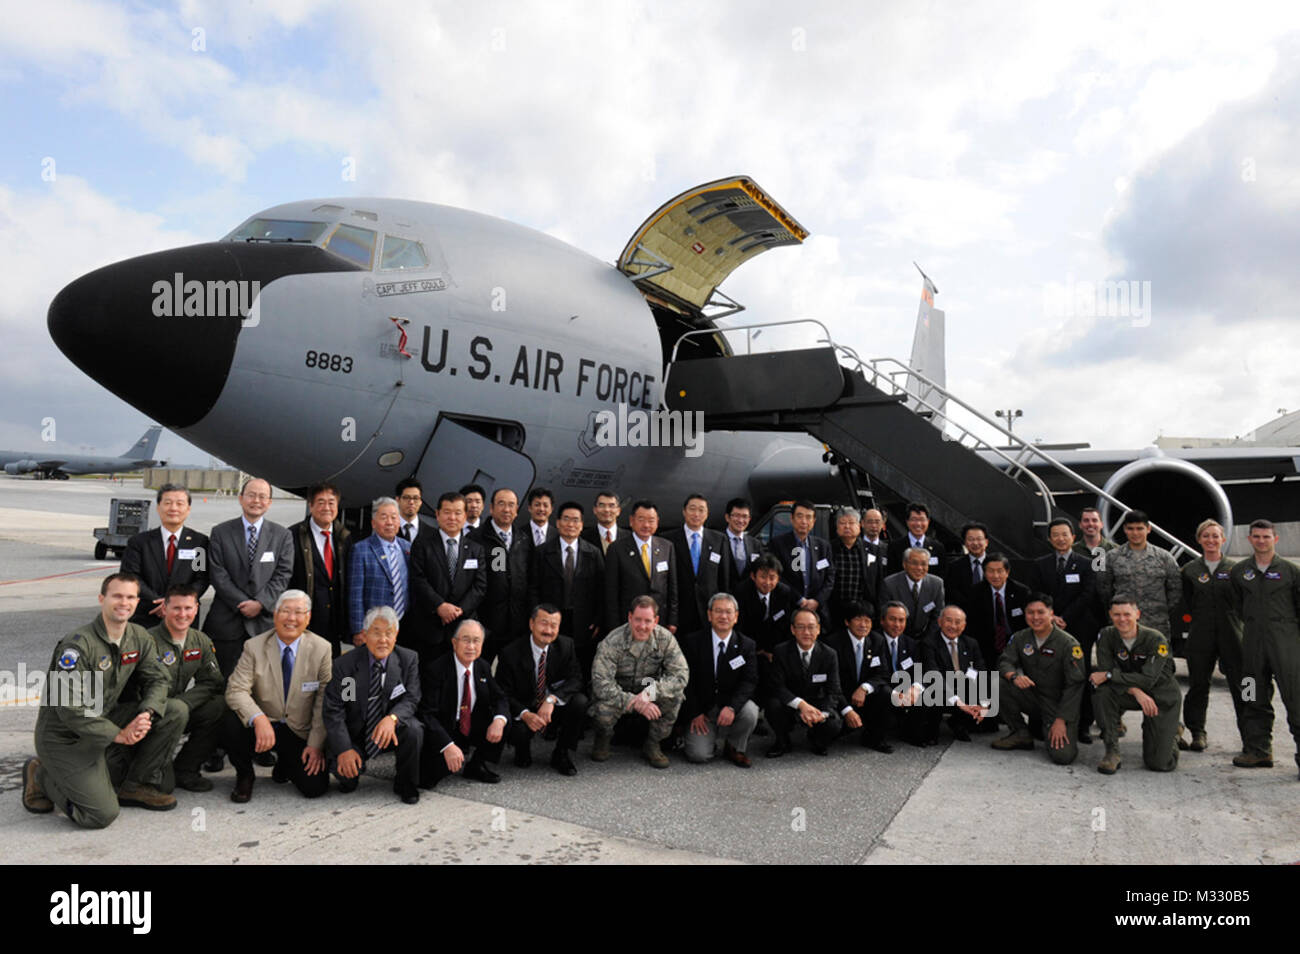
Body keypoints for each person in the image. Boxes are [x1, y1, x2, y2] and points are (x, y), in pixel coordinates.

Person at [24, 573, 184, 826]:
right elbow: (69, 709)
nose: (124, 602)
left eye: (130, 597)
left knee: (175, 710)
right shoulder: (77, 646)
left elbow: (158, 679)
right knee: (100, 815)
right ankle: (42, 775)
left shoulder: (138, 636)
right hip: (65, 737)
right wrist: (118, 735)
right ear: (102, 599)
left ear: (137, 601)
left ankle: (135, 785)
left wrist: (147, 713)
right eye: (117, 596)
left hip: (103, 720)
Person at [221, 589, 332, 802]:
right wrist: (258, 718)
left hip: (298, 729)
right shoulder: (254, 646)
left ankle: (286, 764)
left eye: (299, 612)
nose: (291, 618)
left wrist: (316, 744)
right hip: (264, 725)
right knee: (228, 718)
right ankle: (245, 774)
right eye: (285, 611)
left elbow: (323, 701)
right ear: (274, 614)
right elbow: (236, 690)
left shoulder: (322, 649)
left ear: (308, 617)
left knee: (314, 788)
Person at [323, 606, 423, 803]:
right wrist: (344, 749)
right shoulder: (347, 666)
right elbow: (337, 709)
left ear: (396, 635)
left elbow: (411, 698)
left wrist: (392, 719)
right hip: (357, 733)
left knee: (414, 729)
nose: (383, 640)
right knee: (347, 780)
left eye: (389, 633)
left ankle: (406, 784)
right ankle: (353, 762)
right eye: (376, 633)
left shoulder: (407, 659)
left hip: (388, 730)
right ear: (365, 634)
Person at [1230, 519, 1300, 774]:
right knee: (1251, 694)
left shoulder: (1291, 572)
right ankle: (1258, 751)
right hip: (1252, 645)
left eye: (1266, 536)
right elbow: (1238, 605)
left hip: (1286, 643)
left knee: (1296, 699)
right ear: (1249, 539)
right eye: (1256, 536)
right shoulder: (1240, 572)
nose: (1261, 541)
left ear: (1275, 539)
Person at [205, 477, 294, 676]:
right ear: (241, 498)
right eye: (251, 495)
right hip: (227, 624)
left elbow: (283, 574)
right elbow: (217, 574)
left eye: (262, 497)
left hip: (264, 624)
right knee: (222, 685)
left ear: (269, 502)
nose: (256, 501)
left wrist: (260, 603)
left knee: (262, 686)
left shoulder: (282, 536)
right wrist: (242, 603)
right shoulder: (220, 532)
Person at [590, 596, 689, 768]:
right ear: (629, 617)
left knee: (675, 697)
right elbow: (601, 683)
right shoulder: (613, 641)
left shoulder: (665, 639)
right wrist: (634, 702)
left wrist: (651, 693)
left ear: (656, 620)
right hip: (619, 693)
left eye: (648, 621)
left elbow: (680, 675)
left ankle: (653, 744)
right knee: (602, 706)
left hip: (648, 691)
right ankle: (603, 737)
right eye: (638, 620)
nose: (642, 626)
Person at [144, 584, 226, 792]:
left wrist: (183, 703)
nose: (183, 614)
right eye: (176, 608)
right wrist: (165, 708)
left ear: (197, 609)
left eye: (188, 608)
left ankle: (185, 769)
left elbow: (212, 682)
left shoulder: (200, 640)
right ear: (164, 609)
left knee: (219, 706)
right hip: (148, 715)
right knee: (163, 787)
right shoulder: (146, 641)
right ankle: (145, 767)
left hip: (178, 709)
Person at [1090, 596, 1182, 774]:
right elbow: (1104, 675)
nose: (1122, 619)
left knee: (1160, 764)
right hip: (1132, 694)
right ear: (1110, 615)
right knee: (1102, 691)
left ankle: (1173, 734)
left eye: (1127, 614)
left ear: (1137, 614)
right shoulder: (1107, 635)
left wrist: (1110, 675)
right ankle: (1112, 752)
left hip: (1161, 696)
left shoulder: (1156, 639)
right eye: (1117, 615)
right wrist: (1137, 692)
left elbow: (1148, 679)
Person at [1030, 518, 1101, 740]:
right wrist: (1050, 618)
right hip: (1047, 627)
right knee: (1047, 672)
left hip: (1079, 627)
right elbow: (1037, 594)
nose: (1061, 539)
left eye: (1065, 534)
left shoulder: (1086, 563)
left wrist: (1065, 618)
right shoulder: (1040, 564)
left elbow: (1087, 595)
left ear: (1073, 537)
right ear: (1050, 539)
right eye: (1056, 535)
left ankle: (1083, 724)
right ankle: (1042, 721)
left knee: (1080, 673)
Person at [495, 605, 587, 776]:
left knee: (579, 702)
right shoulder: (511, 653)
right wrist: (525, 714)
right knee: (519, 731)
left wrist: (552, 699)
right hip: (524, 707)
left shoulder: (566, 646)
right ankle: (522, 748)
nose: (548, 630)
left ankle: (561, 753)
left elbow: (576, 680)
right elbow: (502, 693)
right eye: (544, 624)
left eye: (554, 625)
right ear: (531, 624)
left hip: (550, 705)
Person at [993, 595, 1084, 765]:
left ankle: (1056, 728)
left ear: (1051, 614)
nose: (1035, 617)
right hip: (1032, 697)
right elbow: (1005, 661)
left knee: (1063, 756)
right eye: (1030, 613)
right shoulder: (1021, 638)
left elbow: (1075, 686)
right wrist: (1014, 676)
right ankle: (1020, 733)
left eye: (1041, 612)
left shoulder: (1068, 644)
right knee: (996, 683)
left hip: (1057, 706)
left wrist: (1061, 720)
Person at [418, 620, 510, 785]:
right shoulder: (436, 669)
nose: (471, 646)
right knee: (428, 781)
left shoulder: (482, 666)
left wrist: (499, 720)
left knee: (503, 719)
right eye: (466, 640)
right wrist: (447, 745)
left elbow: (500, 697)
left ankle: (477, 764)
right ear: (454, 643)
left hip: (471, 724)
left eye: (476, 641)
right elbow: (426, 714)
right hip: (445, 728)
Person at [1180, 519, 1244, 753]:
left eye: (1215, 536)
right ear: (1199, 540)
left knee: (1243, 685)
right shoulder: (1190, 571)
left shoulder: (1237, 570)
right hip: (1201, 635)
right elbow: (1186, 601)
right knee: (1198, 684)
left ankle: (1251, 734)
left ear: (1223, 539)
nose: (1211, 540)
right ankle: (1197, 732)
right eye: (1206, 536)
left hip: (1233, 635)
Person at [409, 491, 488, 668]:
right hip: (430, 627)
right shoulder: (422, 544)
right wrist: (439, 606)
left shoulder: (476, 549)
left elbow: (480, 586)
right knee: (429, 678)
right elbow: (418, 579)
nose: (452, 517)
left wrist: (457, 611)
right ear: (437, 514)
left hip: (463, 627)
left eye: (458, 512)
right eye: (447, 512)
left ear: (466, 516)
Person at [680, 593, 759, 767]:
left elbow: (749, 681)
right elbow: (685, 681)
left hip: (730, 705)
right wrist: (695, 713)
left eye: (728, 612)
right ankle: (709, 740)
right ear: (709, 615)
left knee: (751, 711)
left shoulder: (746, 645)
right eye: (718, 611)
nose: (723, 616)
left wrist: (732, 707)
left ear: (736, 617)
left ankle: (734, 746)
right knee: (699, 755)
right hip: (703, 710)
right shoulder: (692, 642)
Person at [528, 501, 604, 678]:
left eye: (576, 520)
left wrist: (598, 619)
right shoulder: (542, 552)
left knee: (581, 668)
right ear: (558, 522)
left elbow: (601, 589)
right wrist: (535, 616)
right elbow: (533, 588)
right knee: (550, 667)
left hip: (582, 622)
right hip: (551, 620)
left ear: (582, 525)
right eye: (567, 519)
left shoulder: (593, 553)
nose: (571, 524)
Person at [119, 483, 209, 627]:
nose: (173, 508)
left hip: (184, 617)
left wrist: (177, 604)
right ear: (158, 507)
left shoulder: (200, 542)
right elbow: (131, 577)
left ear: (188, 509)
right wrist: (159, 602)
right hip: (146, 615)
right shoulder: (139, 542)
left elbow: (201, 579)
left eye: (179, 503)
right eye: (167, 503)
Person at [764, 607, 848, 757]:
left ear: (818, 629)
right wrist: (801, 705)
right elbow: (777, 686)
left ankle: (817, 740)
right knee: (773, 705)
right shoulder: (781, 651)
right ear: (792, 629)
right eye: (801, 627)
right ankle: (782, 741)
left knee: (834, 723)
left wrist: (823, 713)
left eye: (811, 627)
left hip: (816, 701)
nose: (806, 632)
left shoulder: (829, 654)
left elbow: (834, 690)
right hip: (791, 702)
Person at [288, 481, 351, 657]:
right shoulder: (292, 536)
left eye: (331, 502)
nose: (326, 508)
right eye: (321, 502)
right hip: (305, 622)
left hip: (335, 624)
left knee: (332, 674)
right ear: (311, 505)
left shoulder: (344, 538)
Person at [1097, 510, 1181, 640]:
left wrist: (1159, 612)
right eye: (1130, 529)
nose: (1135, 533)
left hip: (1156, 626)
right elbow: (1104, 590)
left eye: (1140, 528)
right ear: (1125, 529)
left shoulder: (1164, 557)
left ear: (1148, 529)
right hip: (1123, 626)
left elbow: (1175, 591)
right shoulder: (1112, 557)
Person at [826, 600, 894, 751]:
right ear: (847, 622)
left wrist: (864, 688)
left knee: (886, 693)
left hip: (864, 697)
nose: (863, 624)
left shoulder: (877, 641)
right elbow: (831, 683)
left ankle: (874, 738)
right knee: (827, 735)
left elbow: (882, 673)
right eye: (858, 619)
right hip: (840, 697)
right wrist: (847, 710)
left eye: (867, 620)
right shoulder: (833, 643)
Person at [604, 499, 678, 632]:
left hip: (659, 621)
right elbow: (611, 591)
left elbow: (672, 587)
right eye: (641, 519)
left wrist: (672, 620)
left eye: (651, 520)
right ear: (631, 521)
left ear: (657, 522)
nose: (646, 525)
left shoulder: (667, 547)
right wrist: (614, 626)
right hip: (628, 622)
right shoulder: (617, 549)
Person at [664, 494, 731, 637]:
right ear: (684, 511)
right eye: (692, 509)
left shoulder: (719, 540)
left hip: (709, 611)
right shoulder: (668, 539)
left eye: (701, 510)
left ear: (707, 514)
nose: (696, 514)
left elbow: (723, 579)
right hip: (680, 611)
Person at [474, 487, 530, 656]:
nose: (507, 509)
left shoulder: (524, 539)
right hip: (487, 623)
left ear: (517, 510)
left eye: (511, 505)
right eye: (501, 504)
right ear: (491, 508)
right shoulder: (476, 539)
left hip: (517, 624)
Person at [347, 498, 411, 645]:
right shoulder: (361, 549)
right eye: (384, 517)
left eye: (394, 517)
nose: (389, 522)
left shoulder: (407, 548)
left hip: (405, 625)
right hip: (374, 627)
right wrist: (358, 630)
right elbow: (355, 594)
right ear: (373, 523)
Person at [920, 605, 988, 743]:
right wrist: (958, 702)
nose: (953, 625)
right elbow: (934, 675)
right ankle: (932, 728)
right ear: (939, 622)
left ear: (964, 625)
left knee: (989, 692)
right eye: (948, 621)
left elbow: (981, 671)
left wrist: (984, 703)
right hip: (941, 688)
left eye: (958, 622)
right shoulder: (929, 643)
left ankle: (959, 723)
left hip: (963, 686)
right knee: (934, 692)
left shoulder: (970, 643)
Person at [769, 499, 835, 624]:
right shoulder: (778, 544)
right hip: (789, 607)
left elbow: (830, 578)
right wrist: (799, 599)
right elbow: (777, 577)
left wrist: (817, 601)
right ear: (792, 519)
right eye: (799, 516)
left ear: (814, 521)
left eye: (808, 517)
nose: (804, 521)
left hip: (818, 610)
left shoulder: (823, 546)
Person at [965, 553, 1030, 675]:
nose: (995, 576)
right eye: (990, 571)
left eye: (1000, 571)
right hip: (987, 643)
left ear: (1007, 572)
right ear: (984, 573)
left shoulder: (1021, 592)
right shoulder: (976, 592)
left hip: (1015, 643)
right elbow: (972, 625)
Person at [876, 601, 929, 746]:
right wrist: (895, 694)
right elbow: (875, 675)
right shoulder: (874, 641)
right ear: (882, 620)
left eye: (901, 620)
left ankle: (912, 733)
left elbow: (919, 671)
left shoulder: (911, 643)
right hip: (884, 688)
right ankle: (876, 737)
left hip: (905, 688)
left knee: (926, 691)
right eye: (892, 619)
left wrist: (914, 688)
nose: (897, 625)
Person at [736, 554, 801, 659]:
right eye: (763, 577)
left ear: (778, 578)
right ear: (753, 576)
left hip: (775, 648)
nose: (767, 582)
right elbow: (740, 626)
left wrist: (773, 651)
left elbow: (784, 625)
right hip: (748, 648)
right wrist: (756, 650)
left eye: (772, 578)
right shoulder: (741, 592)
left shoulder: (784, 592)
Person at [880, 547, 945, 641]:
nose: (919, 568)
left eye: (924, 564)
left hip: (926, 639)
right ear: (904, 564)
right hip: (897, 638)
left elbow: (937, 616)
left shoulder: (937, 584)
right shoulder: (889, 584)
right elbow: (885, 618)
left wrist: (927, 640)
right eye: (914, 563)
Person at [829, 506, 877, 623]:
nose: (847, 526)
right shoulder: (827, 549)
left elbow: (878, 580)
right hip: (834, 609)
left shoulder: (872, 550)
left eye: (851, 523)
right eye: (842, 523)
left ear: (859, 526)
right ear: (836, 527)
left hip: (862, 610)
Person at [943, 521, 990, 614]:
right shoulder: (954, 567)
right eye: (971, 539)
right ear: (965, 542)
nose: (975, 543)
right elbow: (951, 593)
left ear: (986, 542)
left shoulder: (996, 565)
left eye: (979, 539)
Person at [886, 501, 948, 571]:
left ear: (928, 522)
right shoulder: (894, 547)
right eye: (914, 519)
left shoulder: (938, 548)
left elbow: (942, 576)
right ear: (907, 522)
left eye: (922, 520)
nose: (918, 524)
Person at [723, 497, 764, 589]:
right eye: (736, 516)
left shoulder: (755, 544)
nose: (741, 520)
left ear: (749, 519)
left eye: (745, 516)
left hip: (747, 597)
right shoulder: (717, 541)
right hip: (723, 597)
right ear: (727, 517)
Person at [858, 507, 889, 607]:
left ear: (883, 524)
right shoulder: (856, 547)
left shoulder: (888, 549)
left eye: (877, 522)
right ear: (862, 523)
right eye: (870, 522)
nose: (874, 525)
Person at [394, 477, 433, 544]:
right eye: (406, 497)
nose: (411, 502)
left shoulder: (433, 534)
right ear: (397, 500)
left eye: (415, 498)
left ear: (420, 502)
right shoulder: (385, 530)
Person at [521, 486, 554, 551]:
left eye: (545, 505)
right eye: (537, 505)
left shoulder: (558, 536)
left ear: (551, 509)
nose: (541, 509)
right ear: (529, 508)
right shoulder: (518, 534)